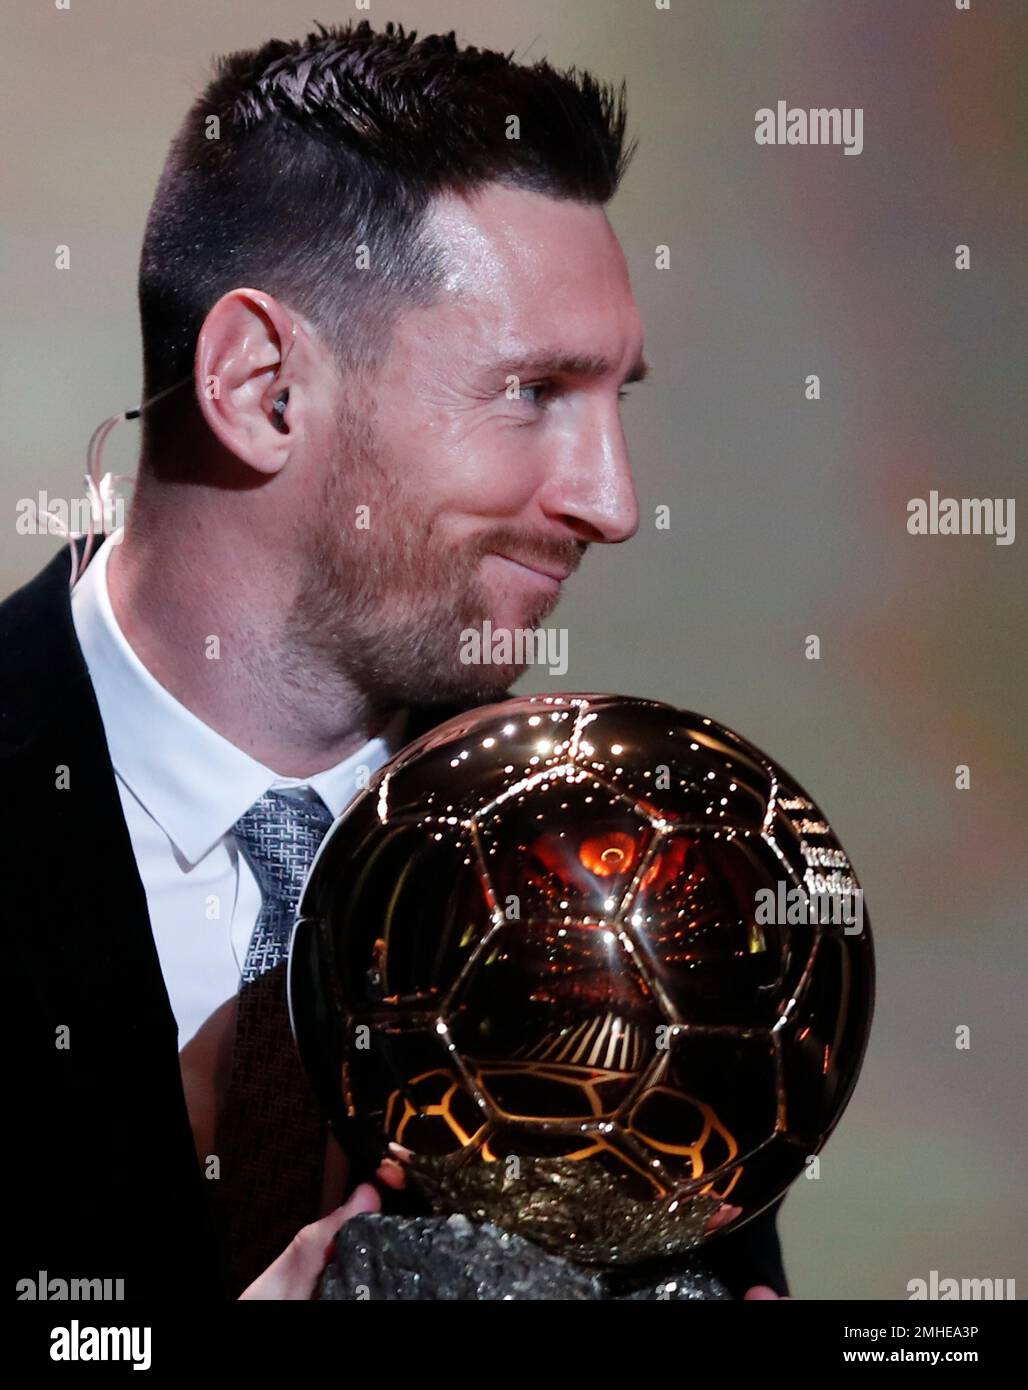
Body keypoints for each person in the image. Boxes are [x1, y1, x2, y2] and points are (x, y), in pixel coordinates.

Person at [5, 19, 788, 1301]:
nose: (613, 499)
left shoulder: (621, 865)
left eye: (617, 398)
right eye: (535, 389)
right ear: (261, 386)